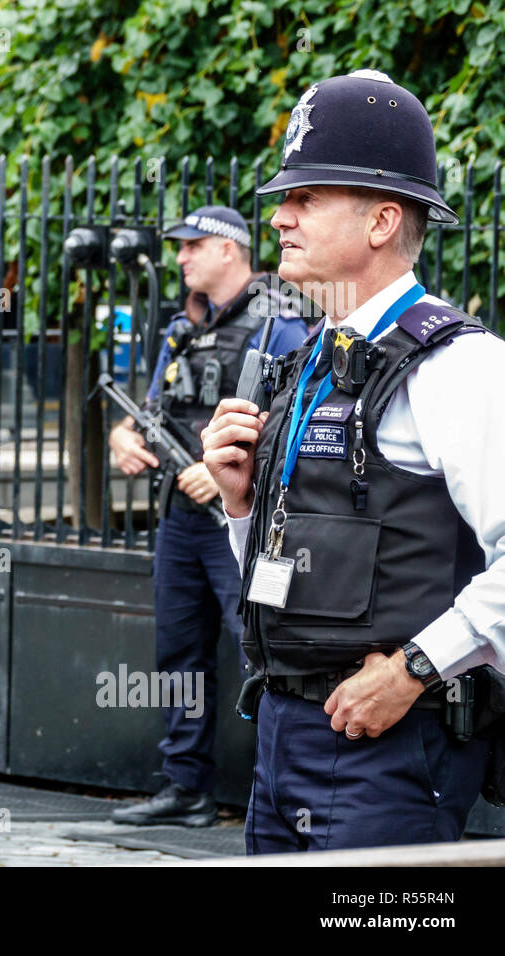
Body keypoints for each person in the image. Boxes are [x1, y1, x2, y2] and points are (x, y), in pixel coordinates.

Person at [202, 70, 504, 852]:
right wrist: (241, 505)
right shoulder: (311, 357)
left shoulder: (462, 367)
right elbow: (284, 564)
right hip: (282, 730)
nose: (278, 217)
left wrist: (412, 670)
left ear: (381, 220)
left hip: (391, 742)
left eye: (306, 199)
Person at [108, 206, 307, 827]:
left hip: (241, 512)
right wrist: (122, 436)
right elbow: (149, 407)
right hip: (179, 516)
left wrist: (223, 469)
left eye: (194, 245)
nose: (182, 257)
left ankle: (281, 793)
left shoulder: (279, 320)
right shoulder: (180, 328)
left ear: (230, 250)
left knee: (258, 645)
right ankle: (184, 785)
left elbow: (295, 412)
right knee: (178, 652)